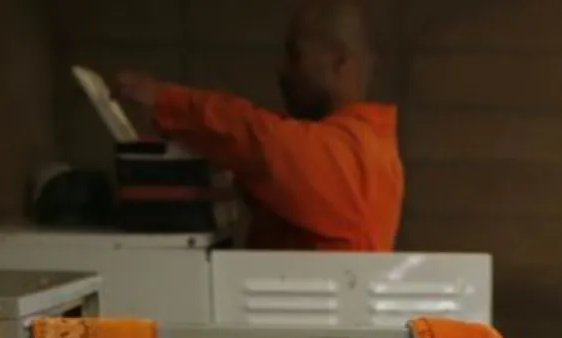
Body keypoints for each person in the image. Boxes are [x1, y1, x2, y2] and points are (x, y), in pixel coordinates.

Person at [116, 0, 401, 252]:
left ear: (339, 61)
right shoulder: (355, 149)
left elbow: (258, 140)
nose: (282, 68)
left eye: (295, 55)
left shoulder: (352, 156)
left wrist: (166, 100)